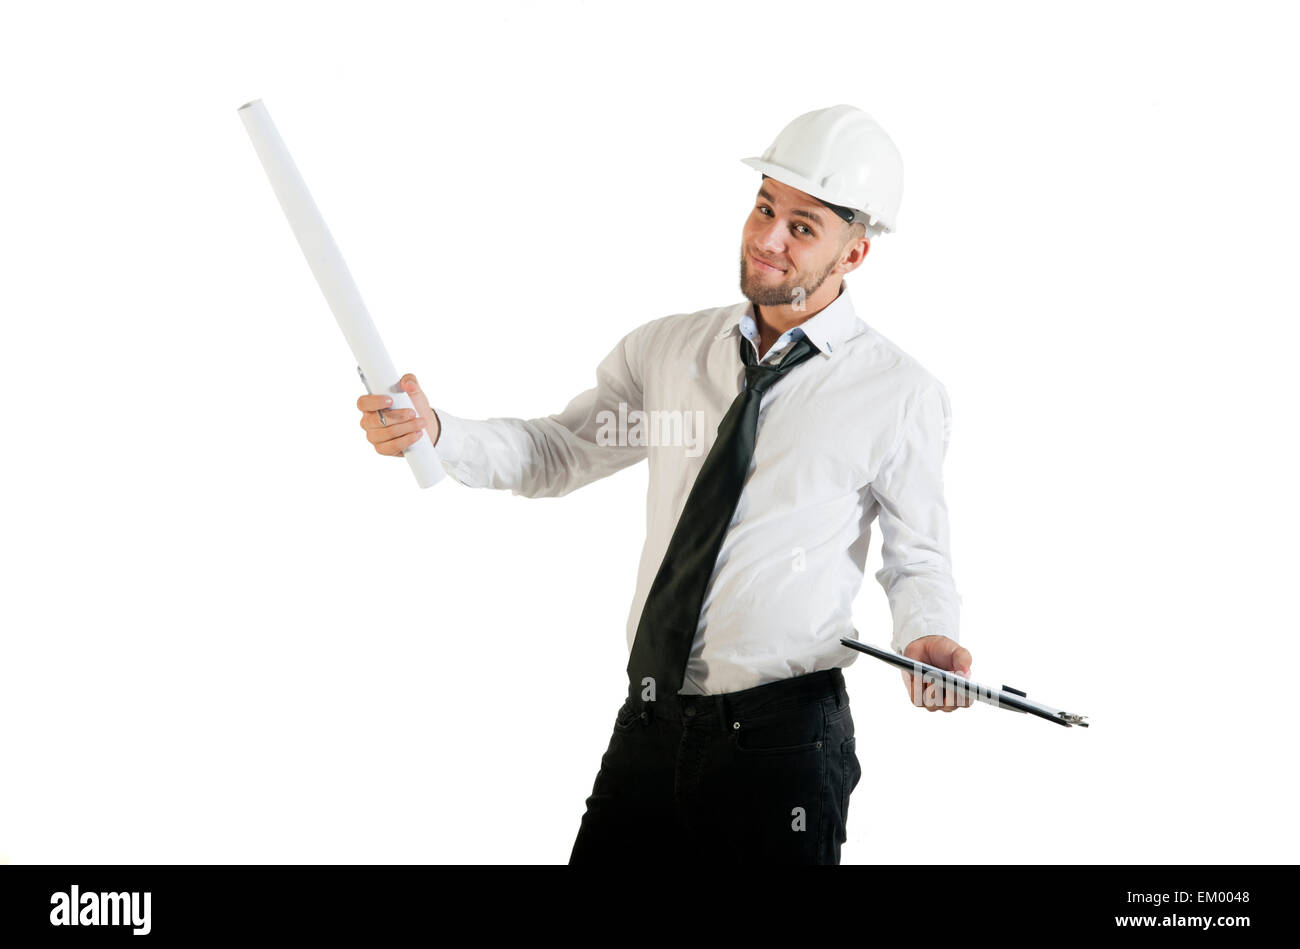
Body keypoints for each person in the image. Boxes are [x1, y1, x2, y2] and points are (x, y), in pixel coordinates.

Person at [356, 105, 973, 864]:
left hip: (784, 740)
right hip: (650, 720)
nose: (766, 239)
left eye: (803, 227)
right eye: (764, 207)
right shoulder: (671, 350)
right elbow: (561, 449)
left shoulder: (898, 394)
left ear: (854, 256)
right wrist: (439, 432)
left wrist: (927, 635)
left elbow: (918, 558)